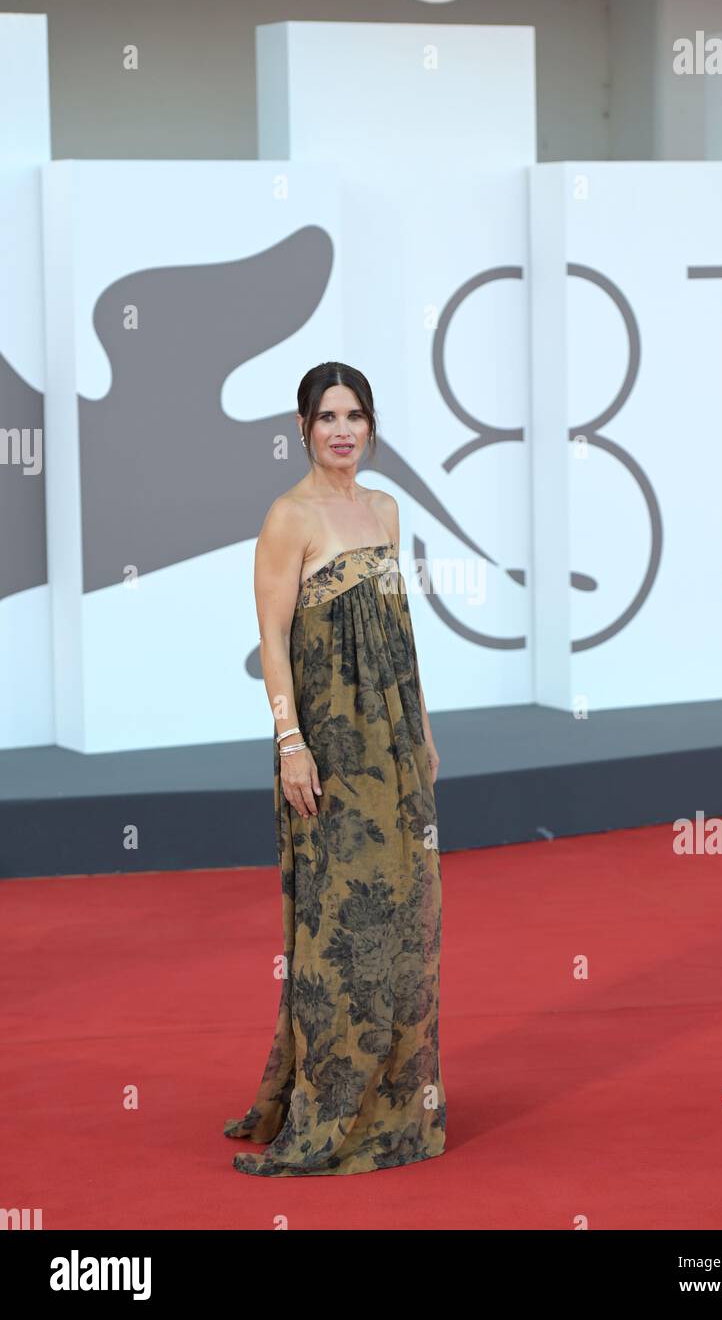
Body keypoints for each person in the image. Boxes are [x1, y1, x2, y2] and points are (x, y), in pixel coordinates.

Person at [224, 361, 446, 1175]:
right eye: (327, 417)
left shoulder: (385, 509)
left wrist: (422, 730)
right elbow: (272, 640)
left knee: (405, 918)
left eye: (355, 416)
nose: (342, 430)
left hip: (394, 744)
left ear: (370, 426)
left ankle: (395, 1105)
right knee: (338, 927)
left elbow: (398, 632)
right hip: (329, 750)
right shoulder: (289, 517)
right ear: (303, 427)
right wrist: (290, 742)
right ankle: (326, 1109)